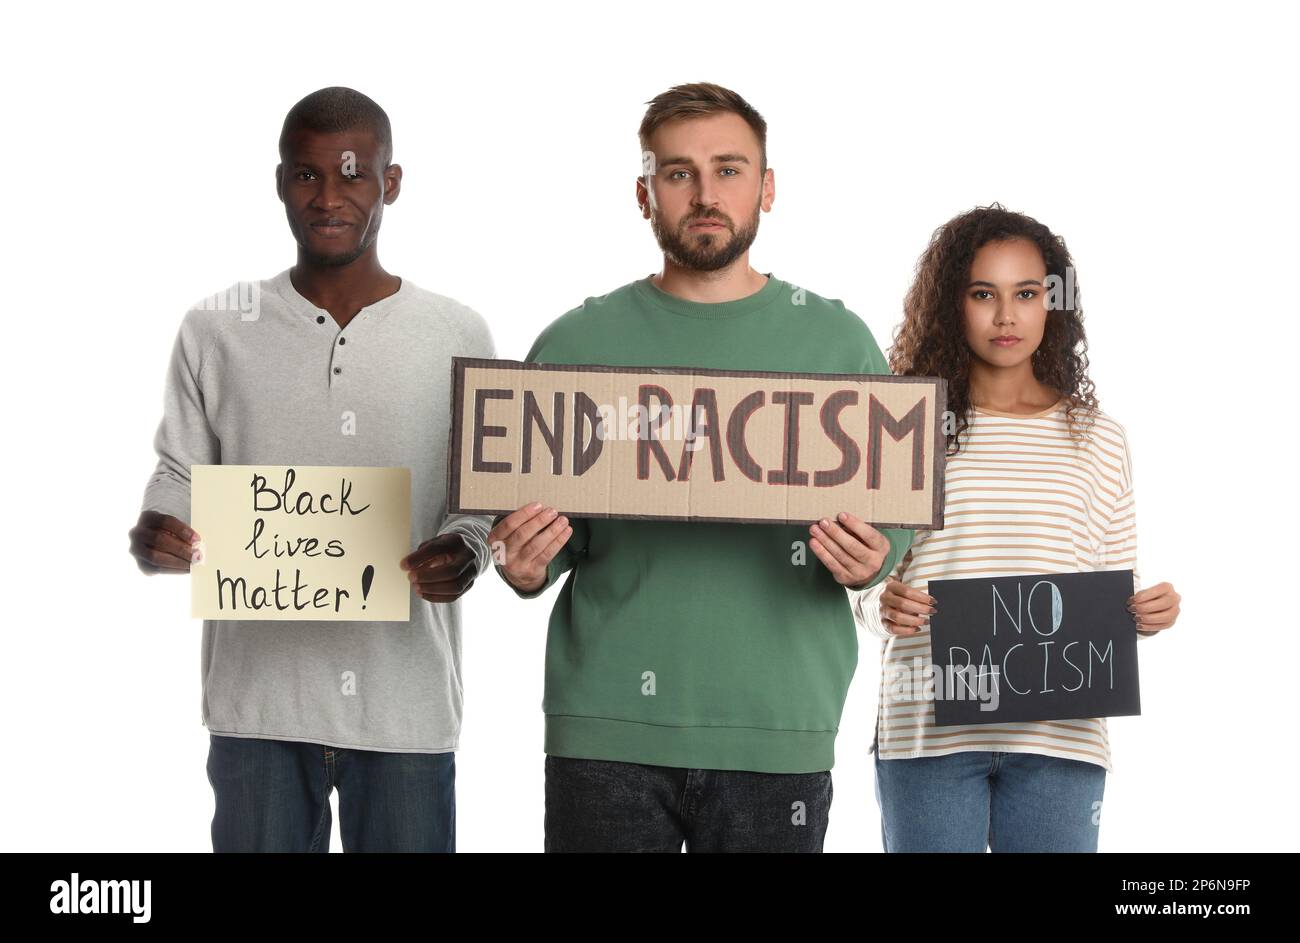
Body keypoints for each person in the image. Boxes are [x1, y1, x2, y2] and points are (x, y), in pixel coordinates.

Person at [487, 82, 912, 852]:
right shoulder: (578, 345)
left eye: (729, 169)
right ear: (644, 194)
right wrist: (521, 565)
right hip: (606, 732)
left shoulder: (837, 343)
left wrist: (875, 558)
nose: (705, 193)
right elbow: (543, 542)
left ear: (768, 187)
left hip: (778, 725)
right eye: (678, 173)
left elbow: (892, 516)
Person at [128, 87, 495, 852]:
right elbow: (179, 471)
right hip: (258, 701)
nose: (328, 196)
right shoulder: (215, 327)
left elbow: (481, 501)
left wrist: (468, 551)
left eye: (353, 174)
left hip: (405, 703)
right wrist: (161, 527)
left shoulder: (459, 333)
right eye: (306, 175)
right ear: (280, 182)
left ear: (390, 183)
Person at [854, 204, 1181, 852]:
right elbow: (866, 573)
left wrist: (1149, 609)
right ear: (954, 303)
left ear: (1051, 304)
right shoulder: (906, 426)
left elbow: (1113, 580)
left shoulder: (1102, 440)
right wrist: (876, 603)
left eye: (1026, 294)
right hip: (929, 726)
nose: (1006, 316)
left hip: (1060, 736)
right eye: (984, 294)